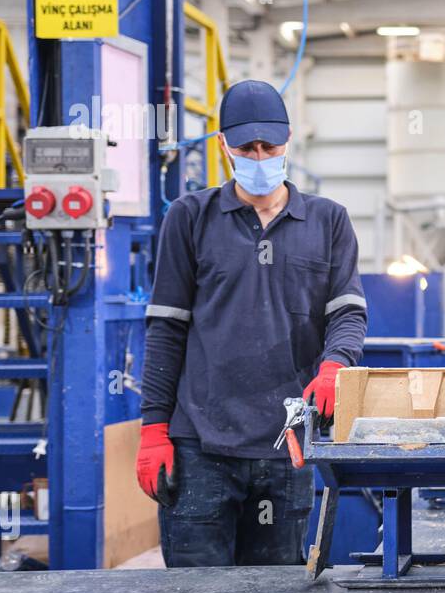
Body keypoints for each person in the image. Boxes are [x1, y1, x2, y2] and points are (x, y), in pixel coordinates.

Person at [136, 79, 367, 567]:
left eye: (270, 145)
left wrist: (334, 367)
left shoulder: (329, 221)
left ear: (289, 141)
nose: (260, 156)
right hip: (199, 448)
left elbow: (347, 312)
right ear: (224, 146)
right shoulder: (189, 217)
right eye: (247, 147)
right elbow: (166, 328)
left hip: (285, 446)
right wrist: (153, 428)